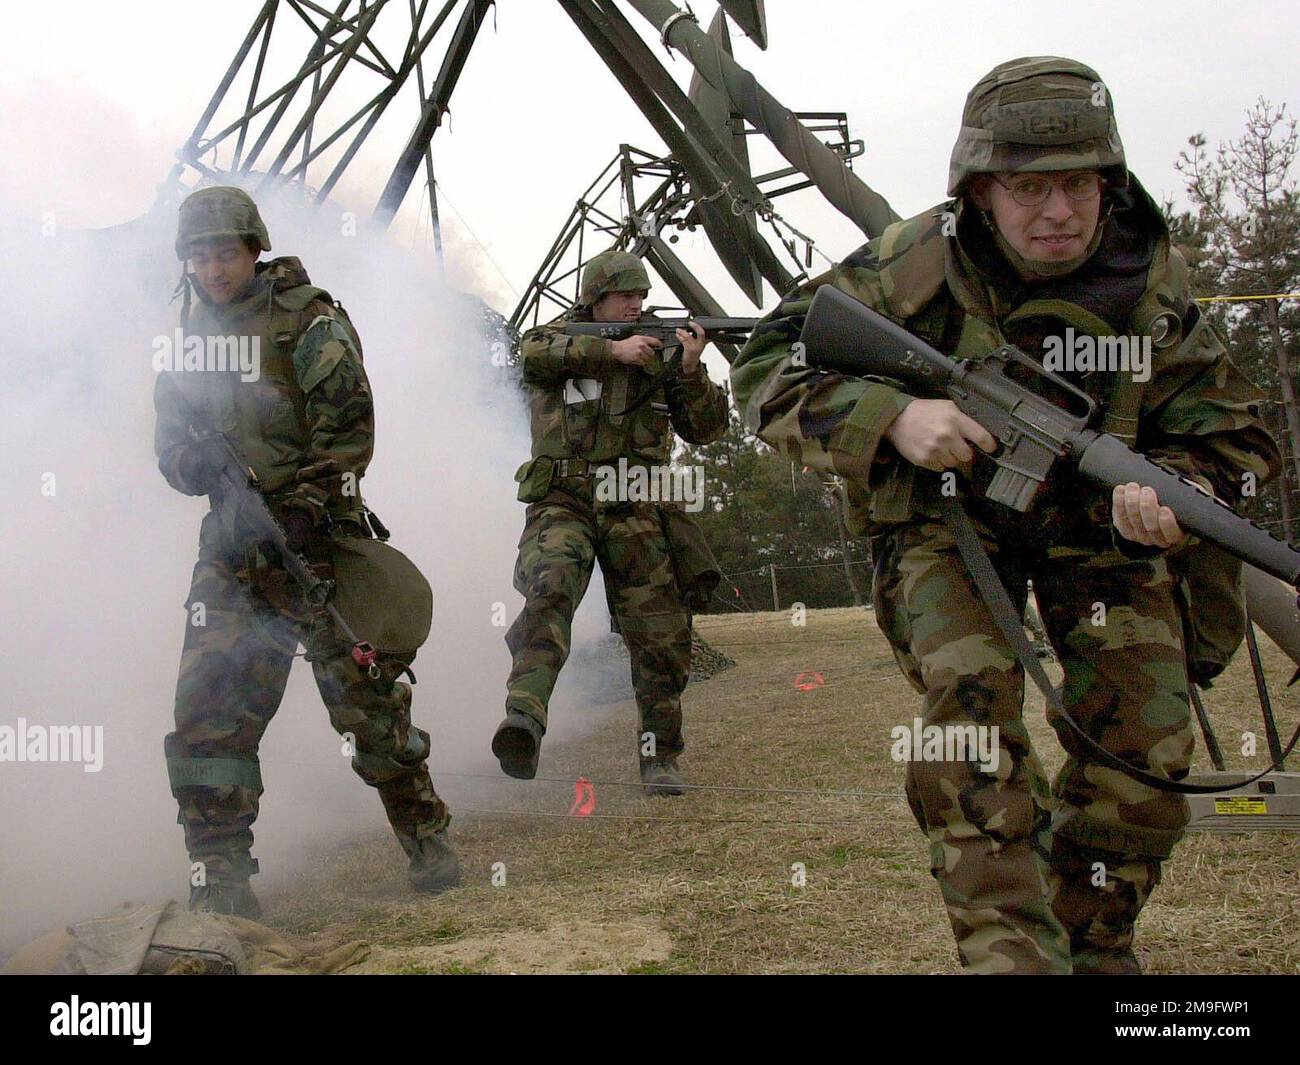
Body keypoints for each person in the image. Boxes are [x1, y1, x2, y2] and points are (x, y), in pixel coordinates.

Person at [730, 58, 1280, 973]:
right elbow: (766, 364)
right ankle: (1010, 956)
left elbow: (1239, 438)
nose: (1058, 211)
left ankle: (1095, 942)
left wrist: (1181, 495)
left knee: (1145, 748)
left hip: (1101, 531)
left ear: (1109, 184)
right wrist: (893, 417)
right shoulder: (914, 262)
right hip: (946, 524)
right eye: (1030, 187)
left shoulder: (1154, 283)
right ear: (981, 192)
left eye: (1078, 185)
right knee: (969, 723)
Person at [154, 186, 459, 917]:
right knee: (207, 712)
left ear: (253, 246)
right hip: (231, 554)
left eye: (223, 252)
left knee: (365, 708)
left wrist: (305, 507)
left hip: (314, 545)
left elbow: (350, 430)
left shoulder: (307, 318)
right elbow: (168, 451)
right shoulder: (185, 337)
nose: (212, 268)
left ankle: (424, 832)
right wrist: (195, 464)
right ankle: (221, 874)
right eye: (198, 255)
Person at [495, 249, 729, 795]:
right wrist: (613, 351)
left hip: (637, 504)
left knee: (660, 631)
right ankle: (524, 717)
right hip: (564, 499)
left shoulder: (664, 350)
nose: (637, 304)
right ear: (595, 296)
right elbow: (532, 351)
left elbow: (708, 428)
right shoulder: (553, 339)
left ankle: (660, 757)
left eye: (642, 296)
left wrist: (691, 371)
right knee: (549, 588)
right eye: (626, 294)